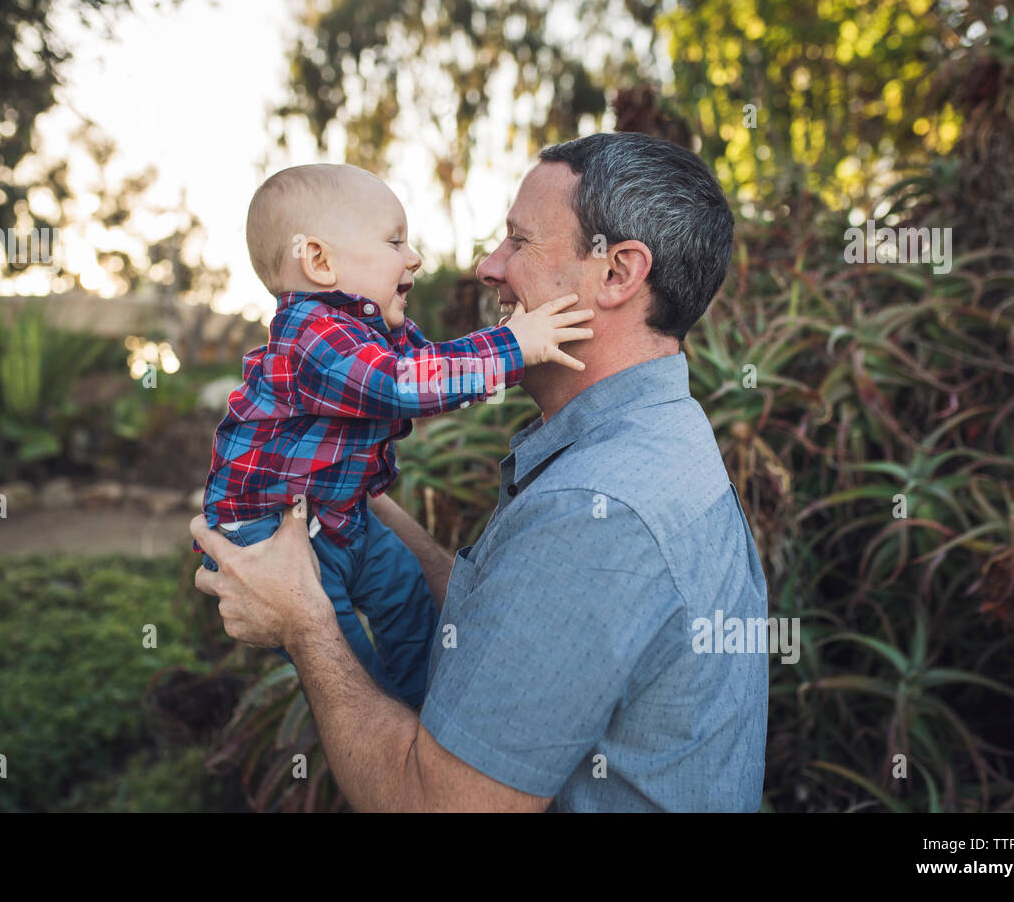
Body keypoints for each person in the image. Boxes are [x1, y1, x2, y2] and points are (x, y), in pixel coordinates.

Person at [192, 133, 769, 811]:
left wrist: (303, 623)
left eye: (518, 242)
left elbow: (434, 804)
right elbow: (516, 624)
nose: (485, 266)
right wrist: (335, 491)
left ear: (617, 273)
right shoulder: (655, 439)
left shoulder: (595, 510)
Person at [193, 163, 593, 708]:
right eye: (394, 241)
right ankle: (394, 731)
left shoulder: (374, 329)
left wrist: (513, 344)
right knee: (347, 662)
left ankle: (427, 706)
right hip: (269, 537)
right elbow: (400, 385)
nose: (414, 258)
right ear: (318, 261)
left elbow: (434, 368)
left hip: (339, 520)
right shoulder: (313, 334)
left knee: (409, 600)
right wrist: (512, 348)